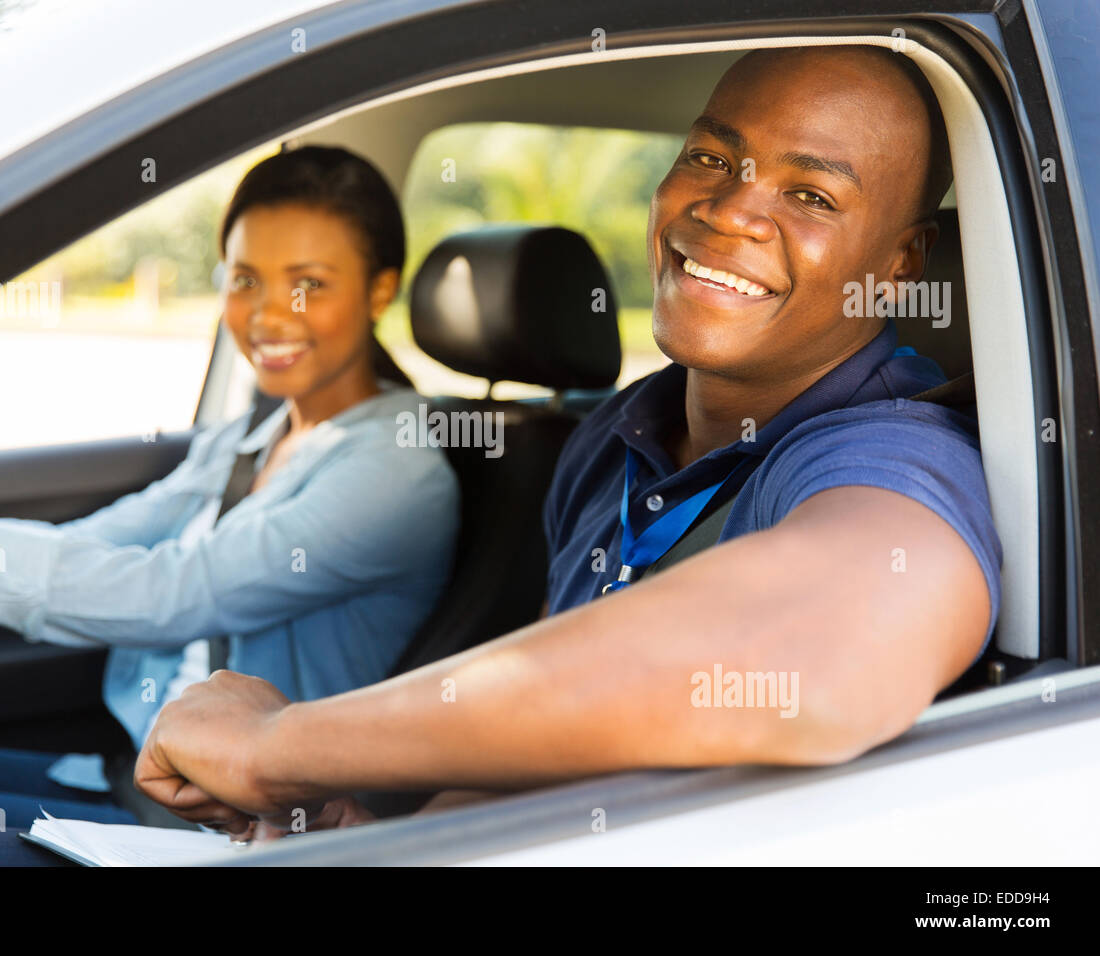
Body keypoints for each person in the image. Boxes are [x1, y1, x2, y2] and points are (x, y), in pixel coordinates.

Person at [131, 45, 1003, 840]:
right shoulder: (611, 439)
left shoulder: (900, 455)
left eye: (810, 195)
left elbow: (815, 655)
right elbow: (544, 760)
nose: (731, 210)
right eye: (710, 157)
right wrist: (368, 835)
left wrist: (280, 745)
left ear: (899, 266)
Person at [0, 145, 459, 837]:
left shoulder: (397, 472)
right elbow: (86, 549)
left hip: (236, 834)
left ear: (381, 291)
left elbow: (171, 593)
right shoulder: (250, 439)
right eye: (244, 280)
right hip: (134, 779)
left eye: (309, 285)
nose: (267, 315)